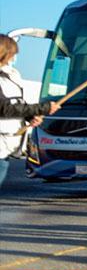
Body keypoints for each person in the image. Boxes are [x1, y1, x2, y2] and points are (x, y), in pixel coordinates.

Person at [0, 35, 60, 190]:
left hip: (6, 145)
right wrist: (42, 108)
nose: (14, 58)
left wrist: (29, 117)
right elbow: (3, 108)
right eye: (13, 54)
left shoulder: (10, 75)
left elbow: (16, 103)